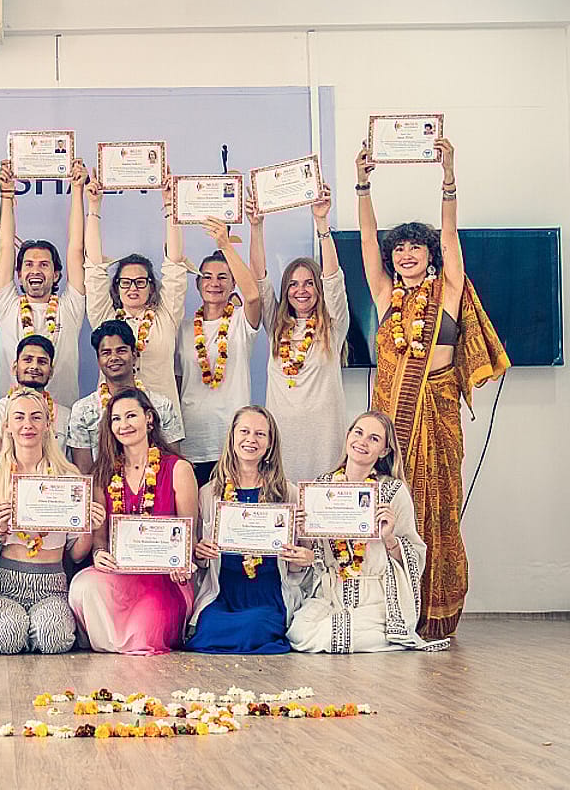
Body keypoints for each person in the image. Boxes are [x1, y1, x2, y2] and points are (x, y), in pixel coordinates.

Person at [355, 137, 508, 638]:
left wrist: (448, 179)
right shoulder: (384, 296)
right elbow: (365, 243)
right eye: (398, 248)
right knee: (388, 510)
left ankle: (435, 614)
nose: (405, 254)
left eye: (415, 247)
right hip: (391, 424)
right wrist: (362, 185)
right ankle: (388, 611)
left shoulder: (447, 291)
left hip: (438, 414)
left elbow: (450, 236)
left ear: (430, 256)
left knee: (436, 511)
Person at [288, 412, 450, 652]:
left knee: (332, 635)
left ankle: (384, 634)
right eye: (358, 433)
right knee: (298, 634)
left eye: (374, 439)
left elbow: (416, 559)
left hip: (376, 596)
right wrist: (306, 534)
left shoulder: (393, 492)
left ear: (384, 450)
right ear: (348, 437)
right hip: (331, 592)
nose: (362, 442)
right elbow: (316, 558)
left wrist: (389, 539)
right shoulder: (322, 487)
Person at [68, 388, 196, 654]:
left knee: (142, 636)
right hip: (120, 575)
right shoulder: (104, 472)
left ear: (149, 418)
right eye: (115, 419)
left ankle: (123, 644)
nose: (123, 425)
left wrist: (182, 561)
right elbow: (100, 539)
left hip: (165, 581)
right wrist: (100, 552)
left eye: (130, 416)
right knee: (83, 585)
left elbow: (188, 536)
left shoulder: (178, 469)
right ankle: (110, 644)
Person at [0, 390, 104, 654]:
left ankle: (36, 629)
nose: (28, 425)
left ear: (48, 426)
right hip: (5, 583)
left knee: (53, 638)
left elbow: (77, 554)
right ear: (7, 426)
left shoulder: (69, 480)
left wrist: (90, 527)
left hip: (51, 585)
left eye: (36, 418)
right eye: (20, 417)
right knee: (5, 638)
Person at [185, 406, 313, 654]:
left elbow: (299, 564)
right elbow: (199, 562)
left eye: (260, 434)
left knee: (256, 627)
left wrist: (302, 556)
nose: (251, 439)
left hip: (268, 591)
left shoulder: (289, 493)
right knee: (209, 630)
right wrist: (200, 554)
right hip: (223, 591)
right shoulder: (208, 493)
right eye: (244, 431)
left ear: (270, 444)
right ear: (232, 437)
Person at [247, 185, 350, 482]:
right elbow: (259, 279)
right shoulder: (276, 326)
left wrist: (322, 223)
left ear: (317, 289)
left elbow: (333, 279)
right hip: (282, 441)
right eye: (293, 284)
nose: (301, 290)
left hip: (325, 440)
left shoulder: (333, 325)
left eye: (308, 283)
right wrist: (256, 226)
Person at [84, 173, 189, 420]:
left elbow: (175, 264)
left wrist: (170, 205)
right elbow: (94, 267)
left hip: (161, 421)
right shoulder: (105, 318)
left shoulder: (167, 316)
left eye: (140, 282)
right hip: (114, 423)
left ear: (152, 287)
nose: (133, 288)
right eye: (126, 282)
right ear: (116, 287)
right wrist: (94, 206)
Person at [0, 159, 88, 408]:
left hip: (61, 421)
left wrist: (77, 190)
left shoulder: (71, 307)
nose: (36, 270)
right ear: (19, 274)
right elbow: (4, 247)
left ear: (56, 274)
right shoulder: (6, 305)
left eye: (44, 265)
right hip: (13, 419)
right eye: (29, 265)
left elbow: (76, 248)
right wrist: (7, 195)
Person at [175, 216, 262, 489]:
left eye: (223, 277)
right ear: (197, 284)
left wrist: (225, 244)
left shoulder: (240, 322)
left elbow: (254, 296)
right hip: (192, 439)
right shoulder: (182, 329)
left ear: (233, 284)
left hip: (232, 441)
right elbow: (177, 383)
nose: (214, 283)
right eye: (207, 277)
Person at [67, 320, 183, 474]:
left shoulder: (161, 406)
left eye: (121, 350)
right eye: (106, 353)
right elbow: (86, 475)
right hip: (103, 494)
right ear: (98, 361)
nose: (114, 357)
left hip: (153, 492)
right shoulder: (83, 411)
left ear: (134, 355)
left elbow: (173, 469)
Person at [0, 334, 71, 477]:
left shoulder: (65, 415)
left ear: (51, 371)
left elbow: (67, 465)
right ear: (15, 367)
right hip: (4, 486)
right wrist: (8, 428)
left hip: (51, 491)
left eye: (42, 362)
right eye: (27, 360)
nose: (34, 366)